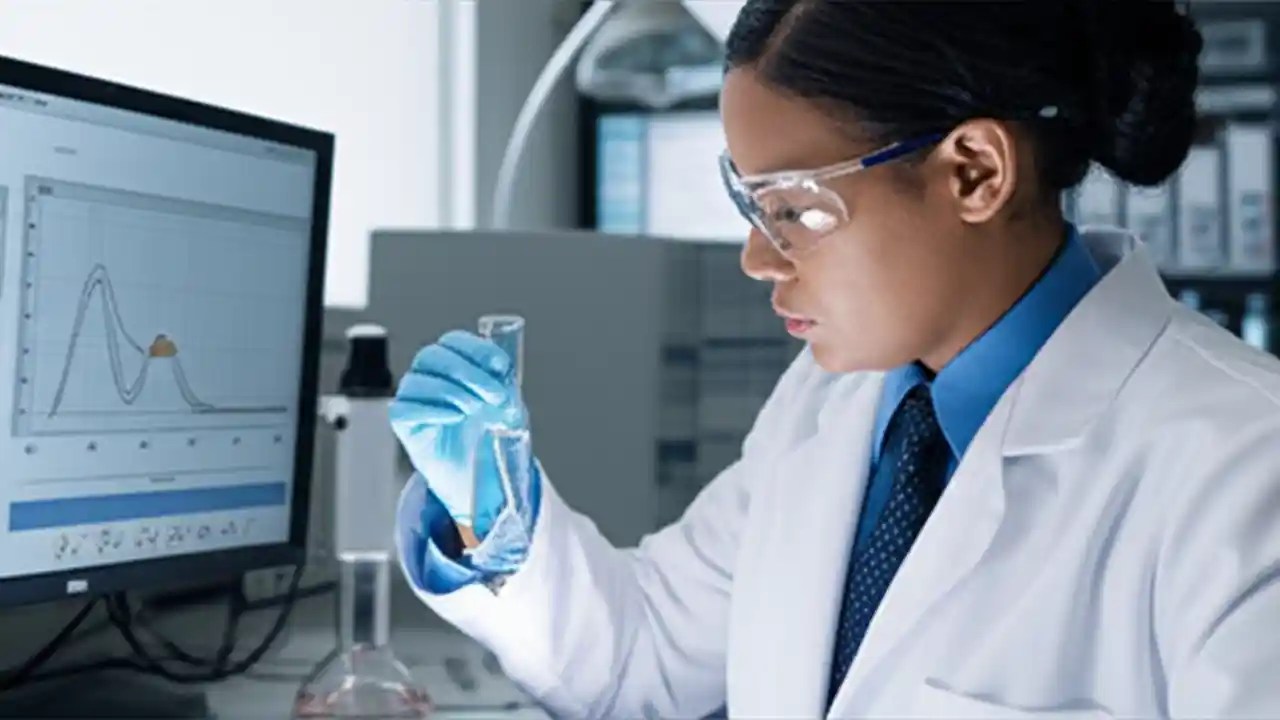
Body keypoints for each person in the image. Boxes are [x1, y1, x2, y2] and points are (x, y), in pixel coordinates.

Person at [389, 1, 1280, 717]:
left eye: (796, 209)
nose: (756, 257)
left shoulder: (1244, 467)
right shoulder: (832, 403)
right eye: (747, 201)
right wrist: (497, 518)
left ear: (974, 171)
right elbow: (644, 660)